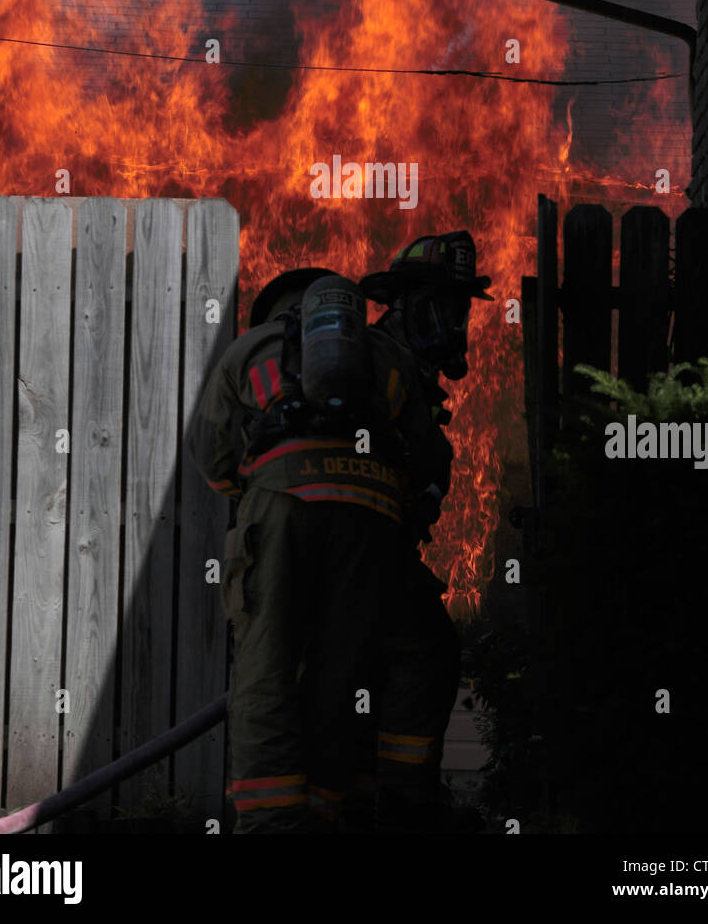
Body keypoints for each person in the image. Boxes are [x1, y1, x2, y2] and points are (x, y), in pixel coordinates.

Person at [188, 265, 436, 833]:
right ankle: (327, 814)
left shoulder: (250, 348)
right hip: (370, 515)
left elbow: (211, 456)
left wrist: (260, 492)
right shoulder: (386, 355)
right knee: (343, 673)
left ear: (280, 308)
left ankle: (273, 823)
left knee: (267, 670)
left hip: (282, 502)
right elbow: (426, 460)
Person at [360, 230, 492, 833]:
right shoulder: (380, 361)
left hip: (356, 551)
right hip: (356, 550)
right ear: (406, 304)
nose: (455, 323)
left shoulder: (398, 365)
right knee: (430, 648)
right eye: (444, 307)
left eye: (460, 309)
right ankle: (405, 802)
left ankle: (379, 799)